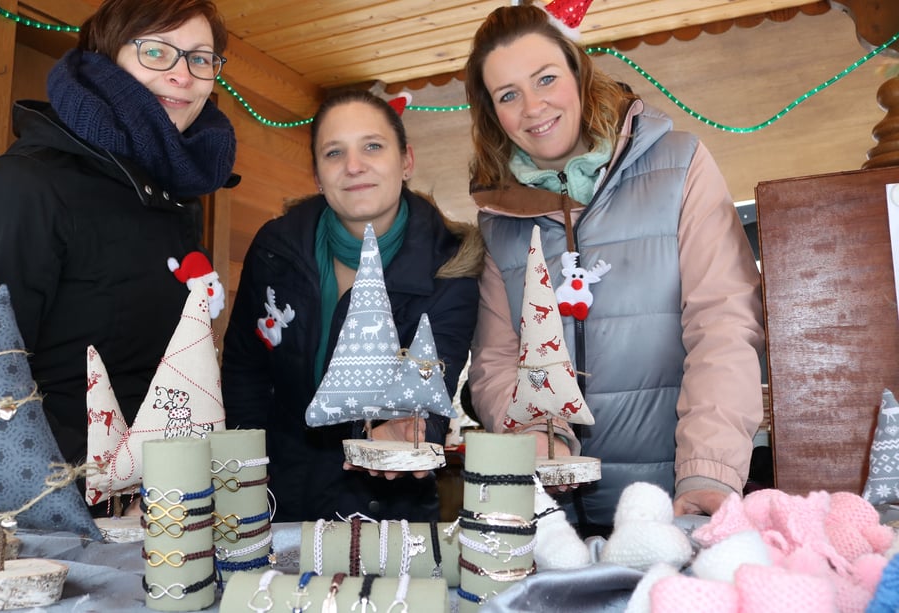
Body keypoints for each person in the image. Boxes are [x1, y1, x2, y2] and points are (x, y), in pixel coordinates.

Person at [465, 4, 764, 533]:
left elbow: (723, 324)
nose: (533, 107)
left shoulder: (679, 163)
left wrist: (710, 472)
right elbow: (494, 361)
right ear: (493, 113)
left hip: (673, 510)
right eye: (508, 95)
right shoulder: (497, 218)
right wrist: (532, 436)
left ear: (578, 74)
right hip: (553, 525)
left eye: (545, 79)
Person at [0, 0, 236, 465]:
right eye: (157, 52)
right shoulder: (24, 189)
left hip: (160, 498)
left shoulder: (173, 197)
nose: (183, 75)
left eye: (200, 58)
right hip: (57, 508)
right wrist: (103, 481)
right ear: (106, 60)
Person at [222, 90, 483, 522]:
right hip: (274, 501)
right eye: (334, 152)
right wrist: (244, 476)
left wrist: (413, 430)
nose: (354, 166)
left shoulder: (452, 264)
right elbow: (244, 370)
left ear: (406, 162)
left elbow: (431, 386)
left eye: (373, 146)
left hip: (386, 507)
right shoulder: (275, 248)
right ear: (318, 174)